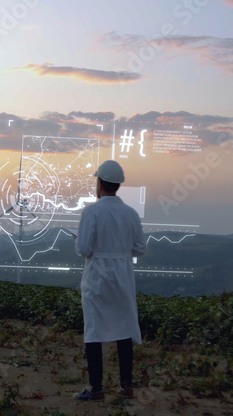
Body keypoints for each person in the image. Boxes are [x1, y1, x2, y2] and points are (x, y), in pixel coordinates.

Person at [72, 160, 147, 401]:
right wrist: (120, 251)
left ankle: (97, 388)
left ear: (100, 183)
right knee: (124, 328)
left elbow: (84, 249)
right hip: (123, 276)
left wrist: (80, 241)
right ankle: (126, 385)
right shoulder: (131, 213)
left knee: (94, 330)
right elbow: (140, 248)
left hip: (98, 277)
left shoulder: (92, 212)